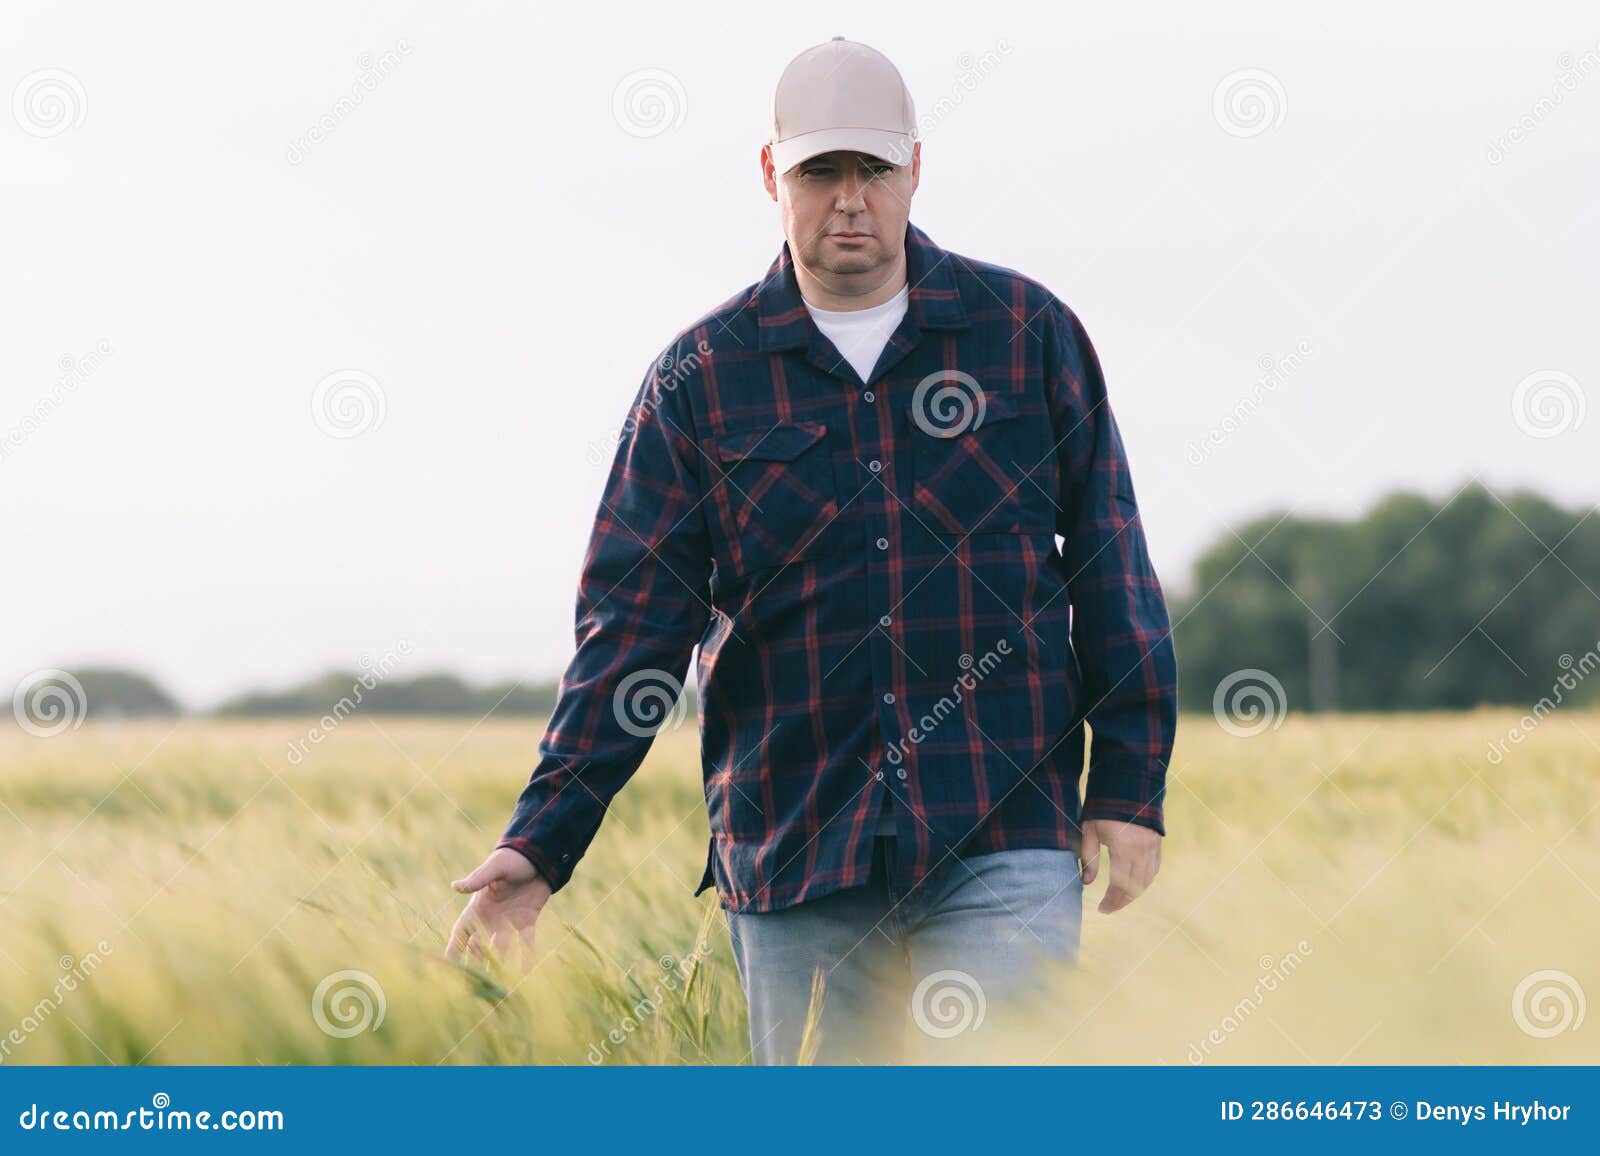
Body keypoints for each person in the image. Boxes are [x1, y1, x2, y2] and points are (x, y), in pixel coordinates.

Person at [447, 36, 1178, 1064]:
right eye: (819, 172)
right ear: (769, 175)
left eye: (873, 169)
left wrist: (1130, 785)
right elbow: (632, 632)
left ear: (915, 169)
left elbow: (1109, 561)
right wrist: (541, 839)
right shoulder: (700, 380)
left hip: (1003, 824)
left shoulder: (1026, 334)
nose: (849, 200)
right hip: (796, 848)